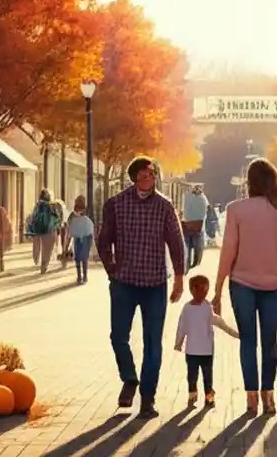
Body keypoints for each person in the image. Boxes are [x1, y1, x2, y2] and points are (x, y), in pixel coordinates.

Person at [213, 158, 277, 417]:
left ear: (249, 182)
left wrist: (218, 288)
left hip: (241, 283)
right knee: (269, 342)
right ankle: (269, 397)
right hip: (274, 285)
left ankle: (251, 398)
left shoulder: (236, 209)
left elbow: (228, 250)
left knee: (247, 342)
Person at [96, 155, 185, 418]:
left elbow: (176, 242)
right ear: (134, 177)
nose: (148, 179)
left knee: (153, 343)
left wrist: (179, 277)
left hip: (155, 284)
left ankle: (148, 397)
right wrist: (112, 270)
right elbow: (104, 241)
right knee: (118, 337)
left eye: (152, 174)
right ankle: (129, 378)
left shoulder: (164, 206)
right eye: (143, 175)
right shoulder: (116, 204)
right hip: (124, 283)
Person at [174, 274, 239, 408]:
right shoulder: (187, 308)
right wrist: (178, 342)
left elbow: (220, 322)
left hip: (207, 351)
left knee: (207, 377)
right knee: (192, 376)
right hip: (191, 350)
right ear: (191, 289)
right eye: (198, 288)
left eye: (205, 289)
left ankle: (209, 398)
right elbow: (182, 325)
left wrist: (235, 334)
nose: (202, 292)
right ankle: (192, 395)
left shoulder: (208, 308)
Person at [27, 190, 60, 274]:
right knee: (47, 249)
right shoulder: (52, 206)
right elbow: (56, 219)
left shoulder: (37, 206)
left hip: (38, 230)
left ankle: (36, 257)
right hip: (49, 231)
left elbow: (33, 217)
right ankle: (44, 265)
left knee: (37, 244)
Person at [182, 185, 210, 269]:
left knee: (187, 246)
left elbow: (184, 210)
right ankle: (195, 263)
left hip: (187, 225)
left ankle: (187, 263)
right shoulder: (203, 198)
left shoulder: (187, 196)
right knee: (197, 247)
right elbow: (207, 209)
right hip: (198, 227)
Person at [68, 200, 95, 284]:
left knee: (77, 259)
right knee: (84, 259)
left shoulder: (74, 220)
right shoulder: (88, 220)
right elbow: (91, 232)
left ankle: (79, 276)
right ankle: (85, 276)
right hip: (86, 241)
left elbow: (71, 233)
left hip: (77, 241)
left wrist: (67, 246)